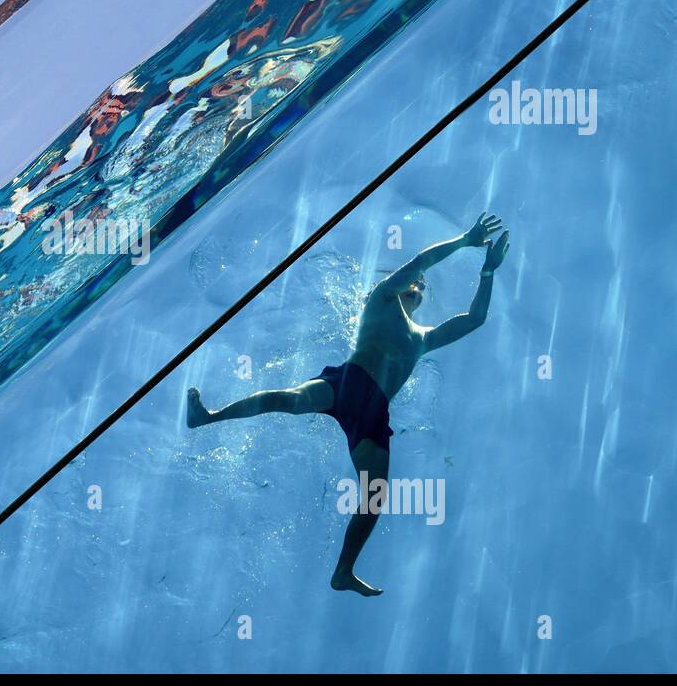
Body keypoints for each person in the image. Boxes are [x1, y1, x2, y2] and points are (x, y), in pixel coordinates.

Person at [186, 213, 511, 596]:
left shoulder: (423, 338)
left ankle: (344, 570)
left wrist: (487, 272)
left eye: (422, 286)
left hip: (374, 414)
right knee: (288, 400)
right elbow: (421, 261)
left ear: (422, 298)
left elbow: (475, 318)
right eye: (414, 281)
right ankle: (208, 417)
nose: (418, 283)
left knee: (375, 495)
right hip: (346, 382)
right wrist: (464, 241)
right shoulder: (380, 300)